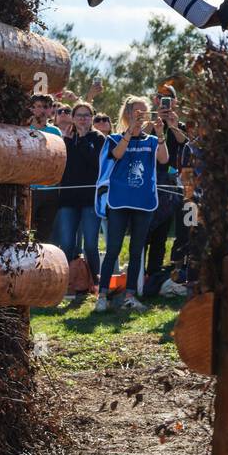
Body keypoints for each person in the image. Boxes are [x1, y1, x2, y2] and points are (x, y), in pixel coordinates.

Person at [94, 96, 170, 312]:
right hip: (119, 201)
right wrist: (130, 132)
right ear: (128, 114)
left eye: (144, 112)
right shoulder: (114, 139)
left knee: (136, 251)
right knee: (113, 250)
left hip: (144, 202)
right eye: (137, 113)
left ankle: (130, 296)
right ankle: (102, 295)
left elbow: (164, 160)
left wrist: (161, 133)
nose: (141, 117)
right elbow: (117, 154)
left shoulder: (153, 140)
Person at [54, 103, 106, 298]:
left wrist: (83, 139)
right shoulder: (66, 138)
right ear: (73, 118)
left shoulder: (98, 138)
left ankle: (96, 283)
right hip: (68, 199)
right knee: (66, 244)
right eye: (79, 115)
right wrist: (66, 142)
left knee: (90, 244)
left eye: (87, 115)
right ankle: (65, 285)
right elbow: (61, 164)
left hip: (90, 200)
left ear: (92, 118)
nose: (83, 119)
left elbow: (95, 163)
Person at [144, 86, 189, 296]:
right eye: (161, 98)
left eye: (169, 98)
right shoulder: (150, 124)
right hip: (148, 183)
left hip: (172, 185)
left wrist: (172, 126)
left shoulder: (179, 125)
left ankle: (153, 275)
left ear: (176, 102)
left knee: (163, 232)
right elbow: (140, 140)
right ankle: (138, 276)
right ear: (155, 101)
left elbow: (185, 143)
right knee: (144, 230)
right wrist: (156, 125)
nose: (165, 102)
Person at [26, 94, 62, 243]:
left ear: (50, 111)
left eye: (45, 107)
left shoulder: (56, 132)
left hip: (50, 189)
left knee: (44, 235)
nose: (41, 110)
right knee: (24, 231)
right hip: (28, 188)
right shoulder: (23, 128)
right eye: (38, 106)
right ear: (31, 109)